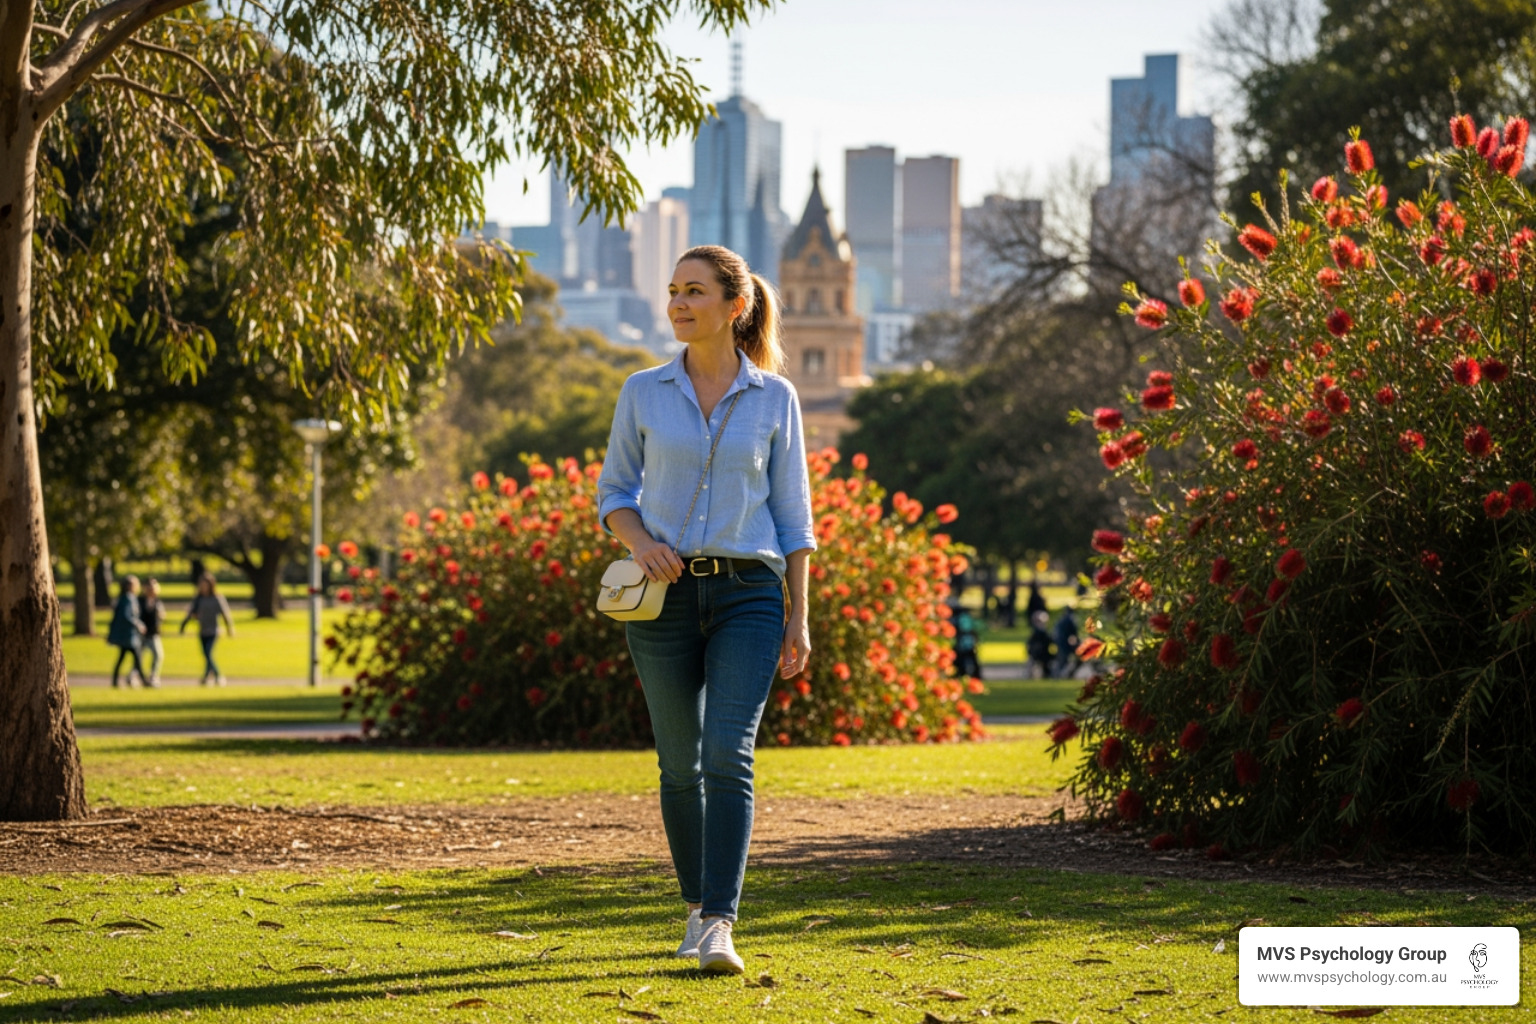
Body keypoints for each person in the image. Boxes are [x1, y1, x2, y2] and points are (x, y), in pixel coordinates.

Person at [598, 244, 814, 975]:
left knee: (729, 751)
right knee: (678, 762)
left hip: (750, 594)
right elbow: (614, 494)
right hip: (662, 596)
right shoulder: (643, 391)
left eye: (694, 291)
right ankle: (694, 907)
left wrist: (799, 615)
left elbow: (795, 520)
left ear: (736, 305)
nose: (679, 303)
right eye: (672, 291)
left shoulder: (775, 398)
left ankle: (721, 921)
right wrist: (642, 542)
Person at [180, 572, 235, 686]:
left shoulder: (217, 598)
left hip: (213, 631)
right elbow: (191, 613)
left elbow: (225, 614)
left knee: (208, 654)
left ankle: (218, 675)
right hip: (202, 631)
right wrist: (183, 626)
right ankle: (206, 677)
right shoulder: (198, 599)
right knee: (206, 655)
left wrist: (229, 628)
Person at [106, 575, 147, 688]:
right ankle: (144, 680)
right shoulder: (128, 599)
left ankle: (115, 681)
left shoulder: (125, 598)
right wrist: (138, 625)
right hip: (129, 636)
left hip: (127, 635)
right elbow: (127, 616)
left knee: (123, 658)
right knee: (137, 658)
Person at [141, 578, 166, 688]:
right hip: (141, 634)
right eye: (149, 587)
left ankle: (153, 676)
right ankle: (133, 675)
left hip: (154, 633)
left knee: (158, 655)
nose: (151, 589)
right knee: (139, 657)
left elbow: (162, 615)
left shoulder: (157, 601)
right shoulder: (140, 601)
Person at [952, 605, 982, 680]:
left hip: (962, 644)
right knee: (973, 660)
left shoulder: (958, 618)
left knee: (959, 660)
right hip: (969, 643)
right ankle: (976, 675)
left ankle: (959, 674)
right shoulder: (967, 618)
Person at [1052, 605, 1080, 679]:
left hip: (1060, 643)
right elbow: (1074, 634)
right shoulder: (1071, 620)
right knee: (1063, 661)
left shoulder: (1061, 620)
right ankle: (1057, 675)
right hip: (1065, 644)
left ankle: (1056, 675)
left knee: (1062, 661)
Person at [1026, 609, 1053, 679]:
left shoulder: (1035, 632)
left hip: (1036, 654)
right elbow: (1049, 642)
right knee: (1050, 659)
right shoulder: (1041, 632)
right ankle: (1047, 674)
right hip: (1041, 655)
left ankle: (1047, 674)